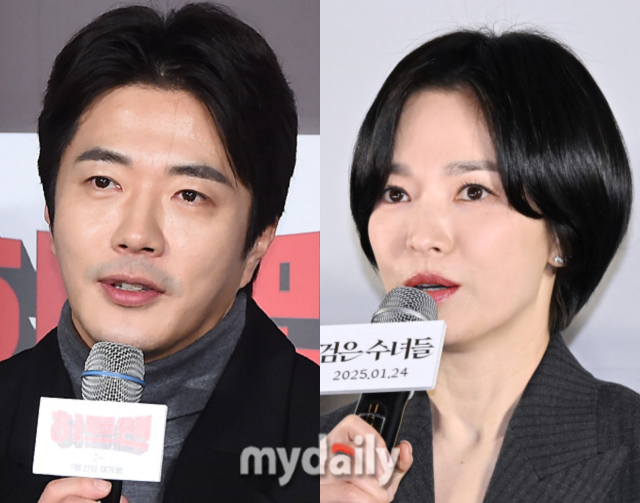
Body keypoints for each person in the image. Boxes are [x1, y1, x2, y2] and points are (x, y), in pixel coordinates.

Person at [0, 3, 318, 502]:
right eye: (103, 182)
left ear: (258, 240)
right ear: (51, 208)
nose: (137, 234)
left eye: (189, 195)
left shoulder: (338, 440)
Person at [320, 29, 639, 502]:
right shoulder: (311, 456)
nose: (422, 237)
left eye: (473, 191)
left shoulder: (628, 447)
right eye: (396, 193)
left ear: (562, 235)